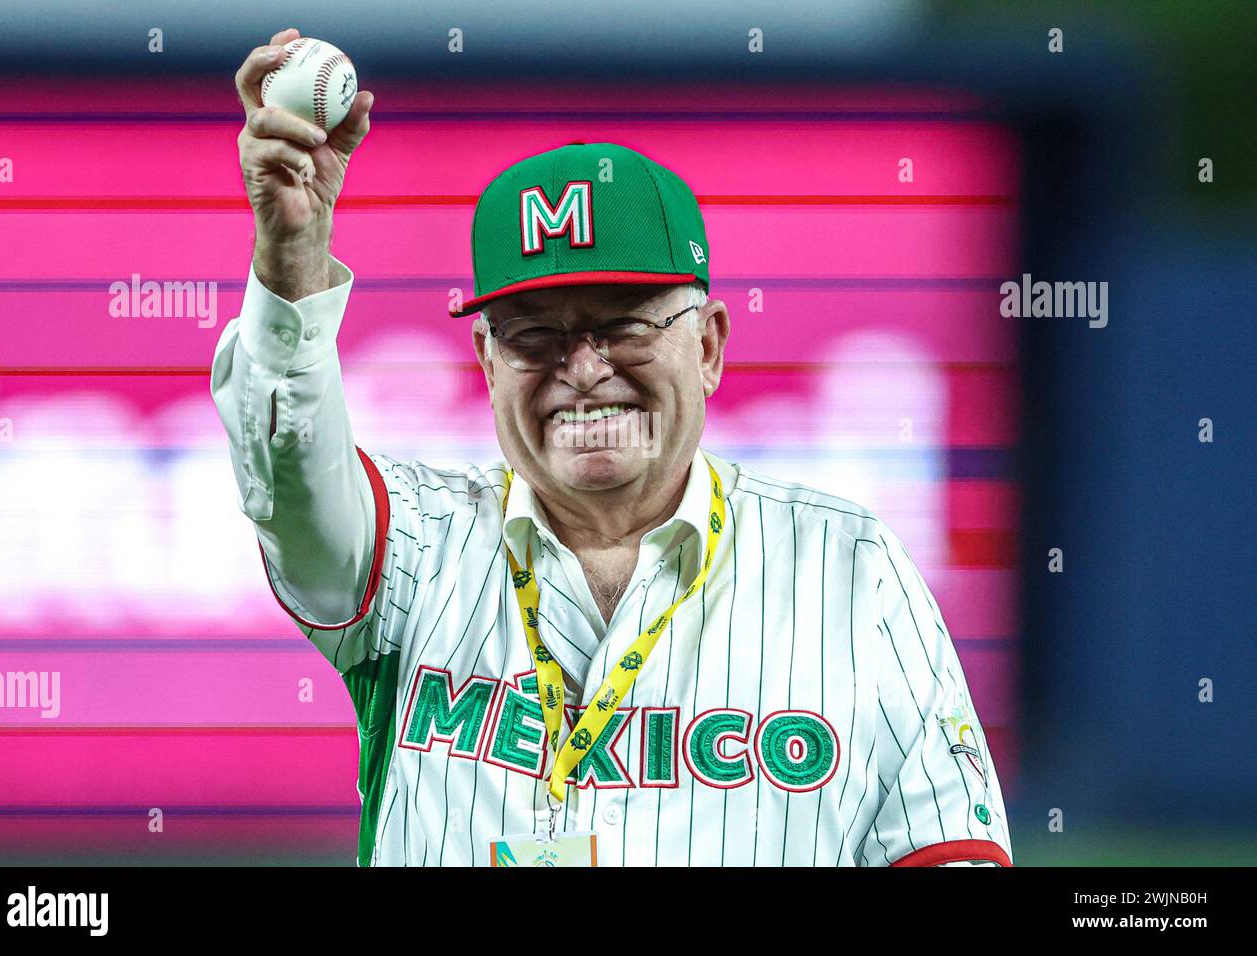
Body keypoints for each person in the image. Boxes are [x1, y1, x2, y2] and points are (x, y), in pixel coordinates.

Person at [211, 27, 1013, 867]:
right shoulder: (412, 549)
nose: (583, 370)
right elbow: (286, 474)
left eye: (624, 325)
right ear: (487, 363)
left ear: (707, 347)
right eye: (535, 336)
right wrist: (290, 255)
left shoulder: (851, 567)